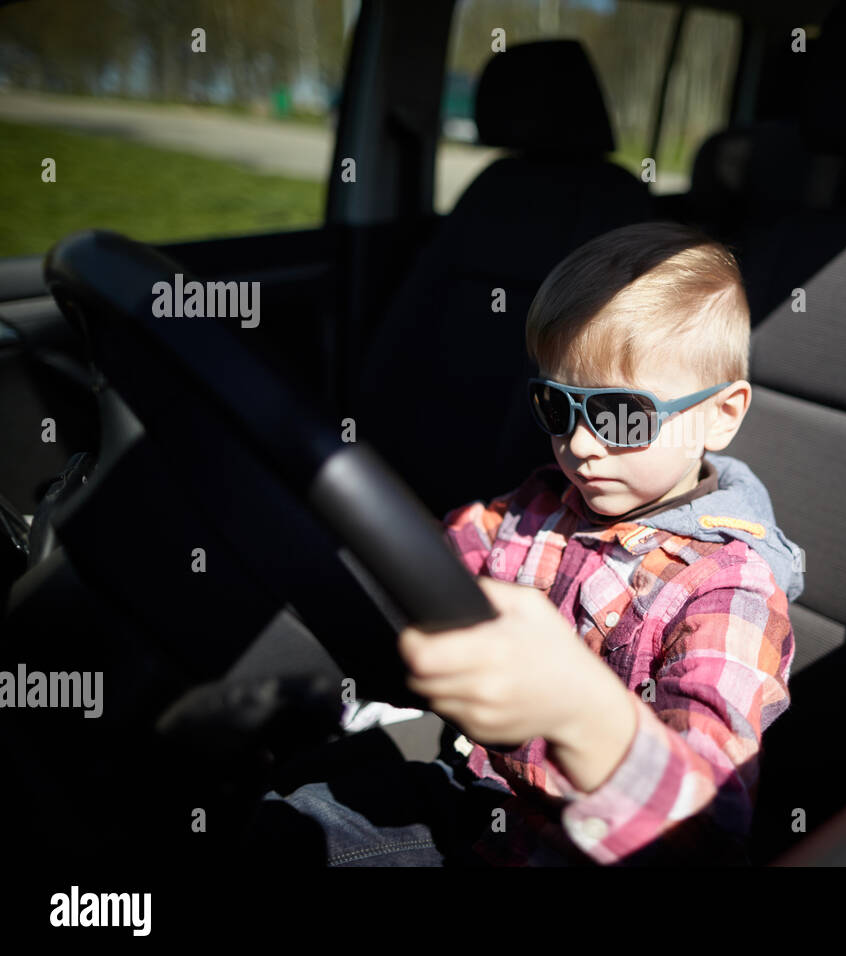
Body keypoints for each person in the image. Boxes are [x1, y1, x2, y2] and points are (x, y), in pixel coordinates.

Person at [249, 221, 804, 866]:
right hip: (471, 791)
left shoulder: (728, 588)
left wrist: (581, 713)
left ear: (722, 414)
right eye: (556, 407)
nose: (581, 445)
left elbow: (708, 824)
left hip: (575, 848)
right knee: (283, 820)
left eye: (620, 415)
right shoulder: (542, 504)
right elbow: (425, 559)